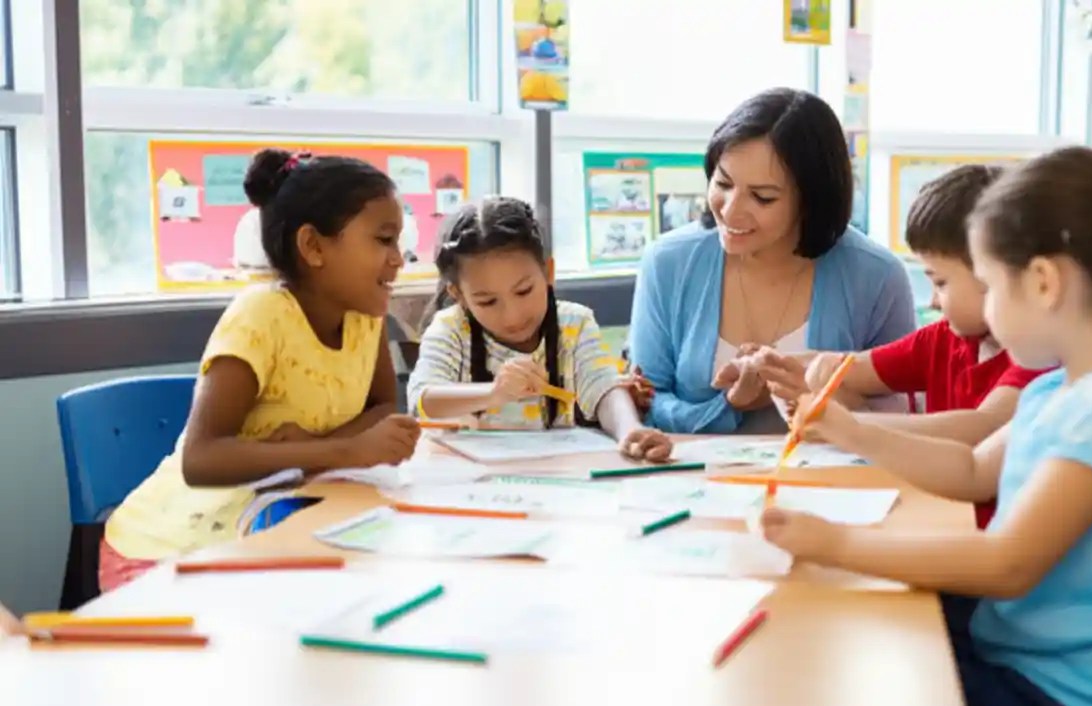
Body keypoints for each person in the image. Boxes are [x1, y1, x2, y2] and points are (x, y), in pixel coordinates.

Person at [761, 146, 1092, 706]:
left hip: (1076, 701)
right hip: (1026, 661)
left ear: (1042, 282)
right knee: (858, 638)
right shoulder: (1058, 390)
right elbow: (972, 472)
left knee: (866, 675)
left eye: (988, 283)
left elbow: (1009, 563)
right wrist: (845, 429)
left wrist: (837, 545)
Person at [101, 149, 422, 592]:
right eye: (383, 239)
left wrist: (322, 445)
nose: (399, 259)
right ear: (313, 246)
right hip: (165, 550)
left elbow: (384, 406)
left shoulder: (365, 316)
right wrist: (342, 452)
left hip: (266, 530)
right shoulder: (260, 316)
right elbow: (201, 460)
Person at [759, 164, 1048, 528]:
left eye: (940, 282)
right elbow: (852, 368)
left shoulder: (1037, 356)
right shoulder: (944, 338)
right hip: (942, 523)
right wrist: (781, 364)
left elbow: (980, 428)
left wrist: (851, 427)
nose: (934, 303)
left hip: (983, 539)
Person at [628, 87, 915, 435]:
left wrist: (815, 395)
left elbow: (902, 420)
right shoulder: (668, 262)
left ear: (811, 200)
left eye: (762, 198)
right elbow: (644, 402)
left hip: (832, 482)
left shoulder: (877, 277)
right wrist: (729, 405)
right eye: (723, 183)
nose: (730, 210)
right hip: (692, 483)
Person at [408, 197, 671, 461]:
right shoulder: (451, 329)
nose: (512, 315)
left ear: (548, 272)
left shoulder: (574, 324)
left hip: (557, 477)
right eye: (487, 301)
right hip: (469, 484)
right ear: (459, 295)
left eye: (524, 291)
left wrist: (630, 429)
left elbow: (603, 388)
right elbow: (423, 400)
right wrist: (493, 393)